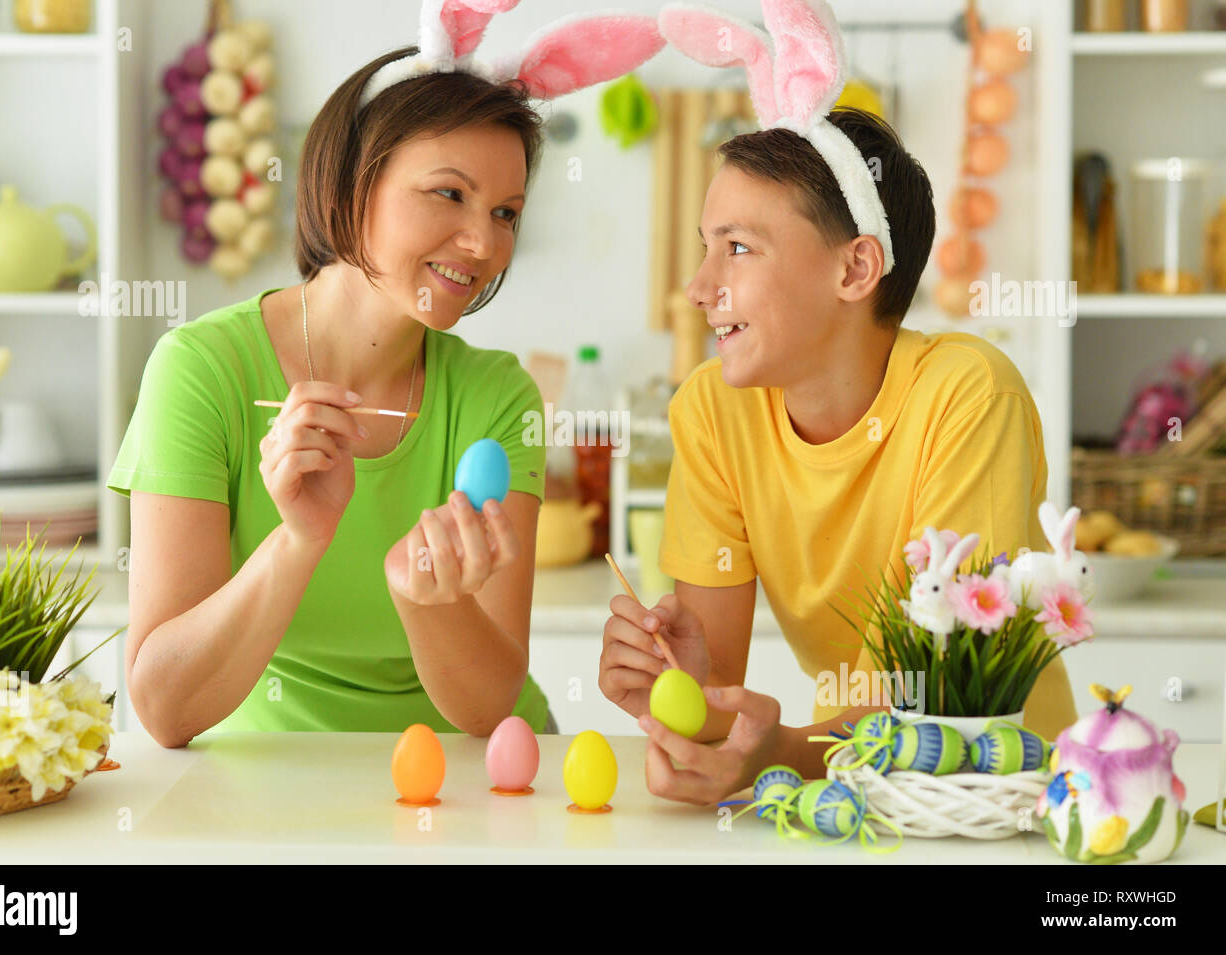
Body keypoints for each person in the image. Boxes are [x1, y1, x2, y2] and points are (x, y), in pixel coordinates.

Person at [110, 2, 664, 746]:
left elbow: (490, 704)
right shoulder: (201, 372)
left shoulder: (498, 398)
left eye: (505, 211)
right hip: (260, 790)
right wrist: (298, 540)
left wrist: (429, 599)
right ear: (352, 182)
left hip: (472, 786)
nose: (482, 242)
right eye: (449, 193)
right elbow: (164, 709)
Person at [598, 0, 1077, 805]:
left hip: (1012, 800)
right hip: (858, 794)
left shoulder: (967, 395)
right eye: (705, 247)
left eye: (739, 248)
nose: (699, 287)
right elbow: (717, 705)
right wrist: (679, 693)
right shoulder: (713, 411)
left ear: (855, 270)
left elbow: (952, 711)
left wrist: (781, 752)